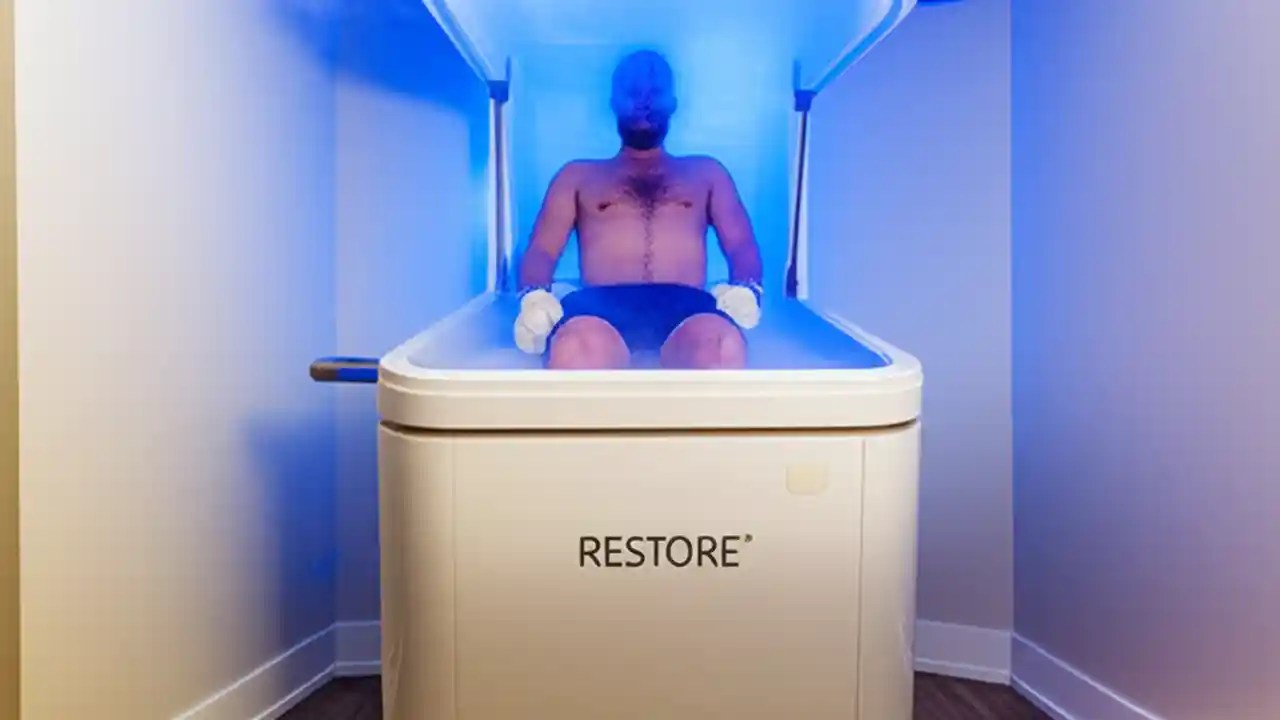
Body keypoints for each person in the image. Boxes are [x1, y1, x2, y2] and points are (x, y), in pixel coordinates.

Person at [513, 49, 765, 370]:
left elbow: (741, 244)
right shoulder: (577, 177)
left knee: (721, 349)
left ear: (673, 103)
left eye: (655, 92)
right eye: (633, 92)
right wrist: (534, 298)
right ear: (613, 102)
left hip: (686, 308)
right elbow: (542, 251)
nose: (644, 102)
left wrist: (747, 290)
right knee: (574, 352)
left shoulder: (706, 174)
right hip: (599, 308)